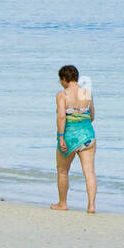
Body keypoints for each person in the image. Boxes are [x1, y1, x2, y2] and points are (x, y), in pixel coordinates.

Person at [52, 65, 96, 213]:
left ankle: (62, 203)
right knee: (89, 172)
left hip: (70, 136)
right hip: (88, 137)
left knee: (62, 170)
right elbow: (92, 116)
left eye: (60, 80)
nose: (60, 83)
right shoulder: (86, 93)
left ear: (64, 79)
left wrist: (61, 137)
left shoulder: (62, 95)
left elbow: (61, 116)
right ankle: (91, 206)